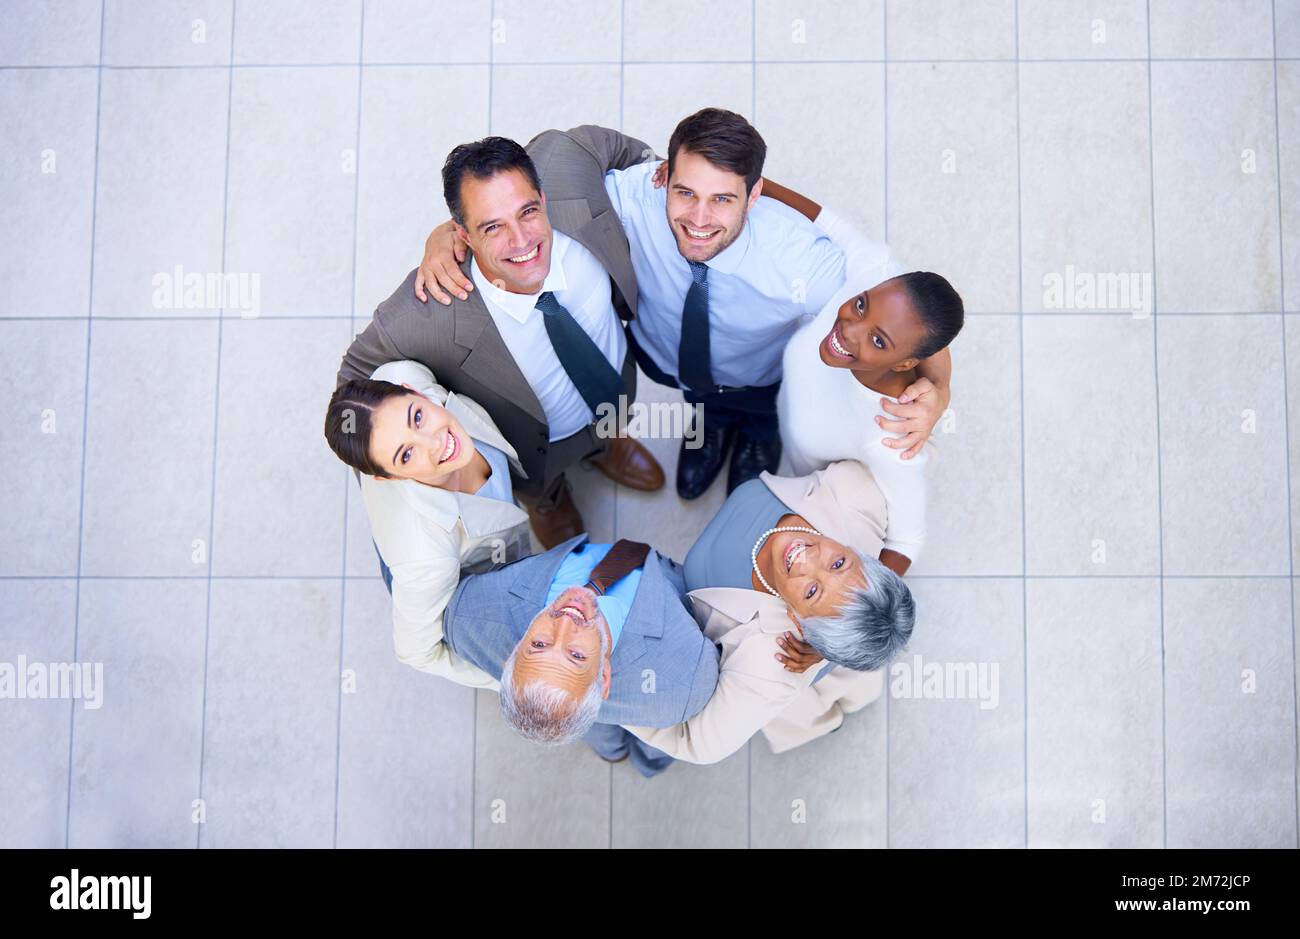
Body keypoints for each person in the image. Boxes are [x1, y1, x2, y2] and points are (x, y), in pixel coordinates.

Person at [417, 111, 954, 501]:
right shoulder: (631, 196)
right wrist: (450, 233)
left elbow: (902, 314)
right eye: (686, 193)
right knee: (700, 404)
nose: (699, 219)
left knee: (760, 417)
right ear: (661, 177)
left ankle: (753, 444)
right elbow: (516, 195)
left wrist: (938, 388)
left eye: (723, 199)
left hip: (756, 377)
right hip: (665, 359)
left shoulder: (804, 264)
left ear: (756, 194)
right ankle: (711, 432)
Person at [338, 130, 666, 551]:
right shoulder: (428, 311)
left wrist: (661, 168)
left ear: (544, 199)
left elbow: (621, 152)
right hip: (535, 447)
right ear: (463, 235)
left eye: (527, 212)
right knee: (539, 486)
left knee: (614, 417)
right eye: (492, 227)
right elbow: (353, 376)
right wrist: (395, 472)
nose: (522, 241)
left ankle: (607, 448)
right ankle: (549, 504)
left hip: (613, 378)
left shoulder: (566, 160)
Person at [623, 460, 913, 763]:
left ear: (799, 624)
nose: (805, 560)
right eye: (838, 564)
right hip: (835, 636)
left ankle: (822, 722)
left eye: (812, 592)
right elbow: (906, 489)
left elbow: (695, 743)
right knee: (848, 658)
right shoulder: (854, 495)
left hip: (785, 670)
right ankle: (850, 668)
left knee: (795, 701)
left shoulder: (770, 667)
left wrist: (603, 689)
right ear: (862, 556)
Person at [777, 198, 965, 575]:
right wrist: (737, 180)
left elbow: (906, 541)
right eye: (861, 306)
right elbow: (822, 217)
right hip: (774, 399)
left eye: (878, 341)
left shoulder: (893, 433)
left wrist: (843, 609)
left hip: (795, 477)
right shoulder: (875, 273)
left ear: (907, 363)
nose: (848, 329)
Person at [440, 535, 720, 778]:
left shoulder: (467, 615)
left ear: (511, 658)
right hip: (638, 696)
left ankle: (616, 753)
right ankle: (639, 760)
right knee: (641, 737)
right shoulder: (685, 679)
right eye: (576, 655)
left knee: (594, 723)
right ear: (605, 677)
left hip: (615, 702)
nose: (565, 622)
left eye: (538, 644)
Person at [324, 360, 531, 688]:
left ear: (412, 391)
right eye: (406, 455)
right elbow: (416, 652)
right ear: (386, 477)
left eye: (417, 417)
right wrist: (514, 678)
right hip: (446, 566)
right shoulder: (427, 563)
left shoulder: (399, 376)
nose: (435, 443)